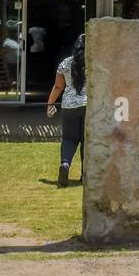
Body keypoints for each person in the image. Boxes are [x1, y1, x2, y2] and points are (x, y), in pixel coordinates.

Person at [46, 33, 87, 187]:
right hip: (88, 106)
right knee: (86, 141)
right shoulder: (94, 62)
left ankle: (65, 164)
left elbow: (58, 87)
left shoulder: (65, 63)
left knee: (69, 138)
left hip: (69, 106)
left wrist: (50, 104)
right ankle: (85, 174)